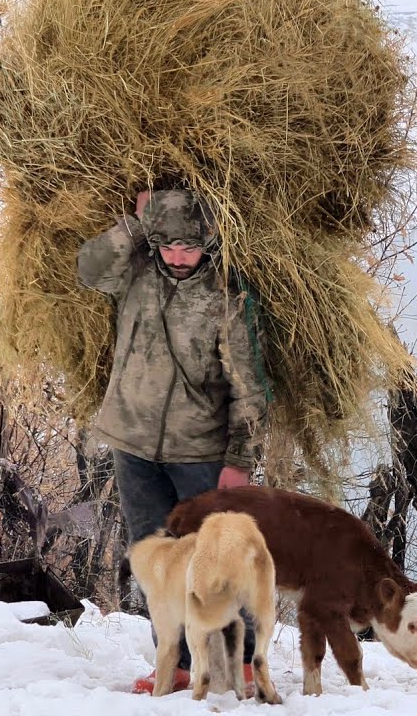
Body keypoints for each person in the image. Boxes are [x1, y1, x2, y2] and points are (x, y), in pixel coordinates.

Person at [77, 188, 271, 694]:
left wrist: (239, 460)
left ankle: (240, 661)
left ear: (208, 242)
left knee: (219, 561)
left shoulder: (227, 297)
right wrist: (137, 224)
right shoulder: (134, 276)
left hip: (200, 453)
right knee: (156, 563)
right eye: (168, 246)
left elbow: (249, 388)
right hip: (132, 444)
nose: (179, 257)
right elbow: (88, 269)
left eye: (189, 247)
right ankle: (176, 664)